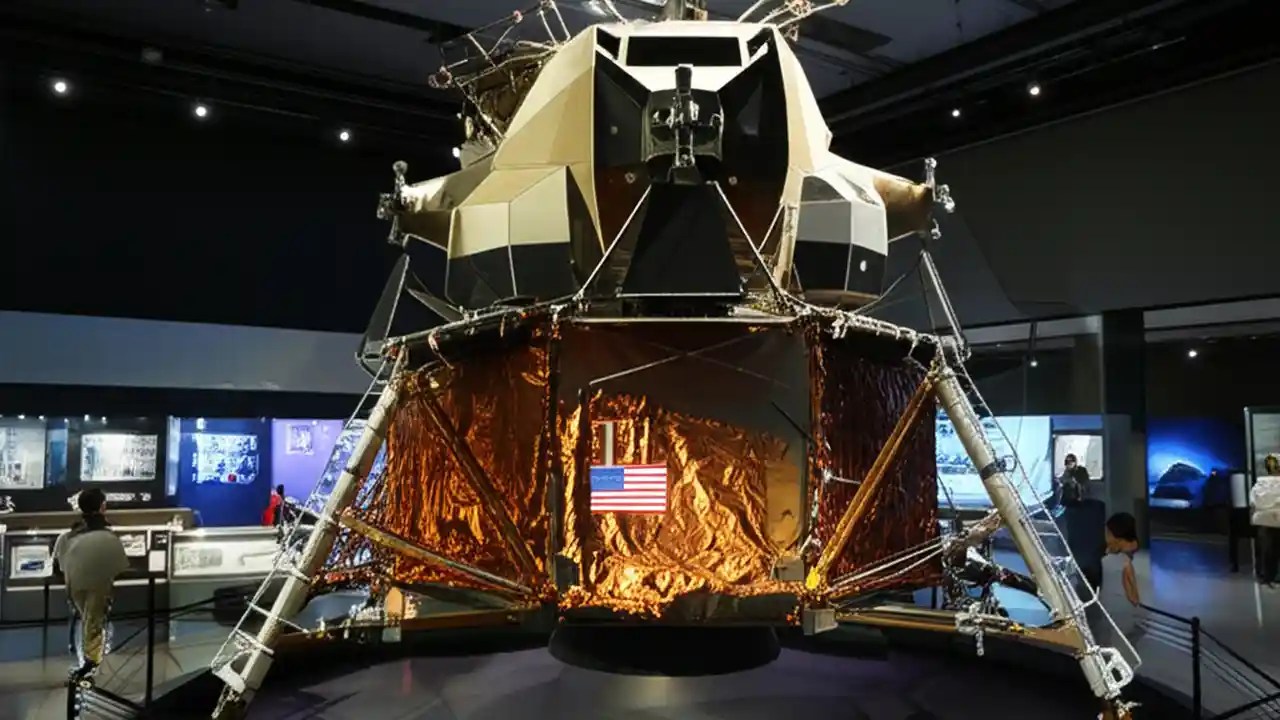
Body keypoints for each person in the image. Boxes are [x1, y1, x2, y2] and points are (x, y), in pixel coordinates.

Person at [52, 488, 130, 681]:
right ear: (103, 506)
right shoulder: (108, 537)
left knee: (85, 620)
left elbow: (57, 566)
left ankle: (87, 661)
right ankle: (90, 663)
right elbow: (120, 567)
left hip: (75, 585)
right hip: (99, 586)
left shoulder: (67, 537)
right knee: (93, 622)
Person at [1098, 512, 1142, 659]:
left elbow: (1133, 596)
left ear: (1117, 535)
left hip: (1119, 616)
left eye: (1108, 534)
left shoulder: (1121, 563)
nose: (1106, 538)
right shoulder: (1121, 557)